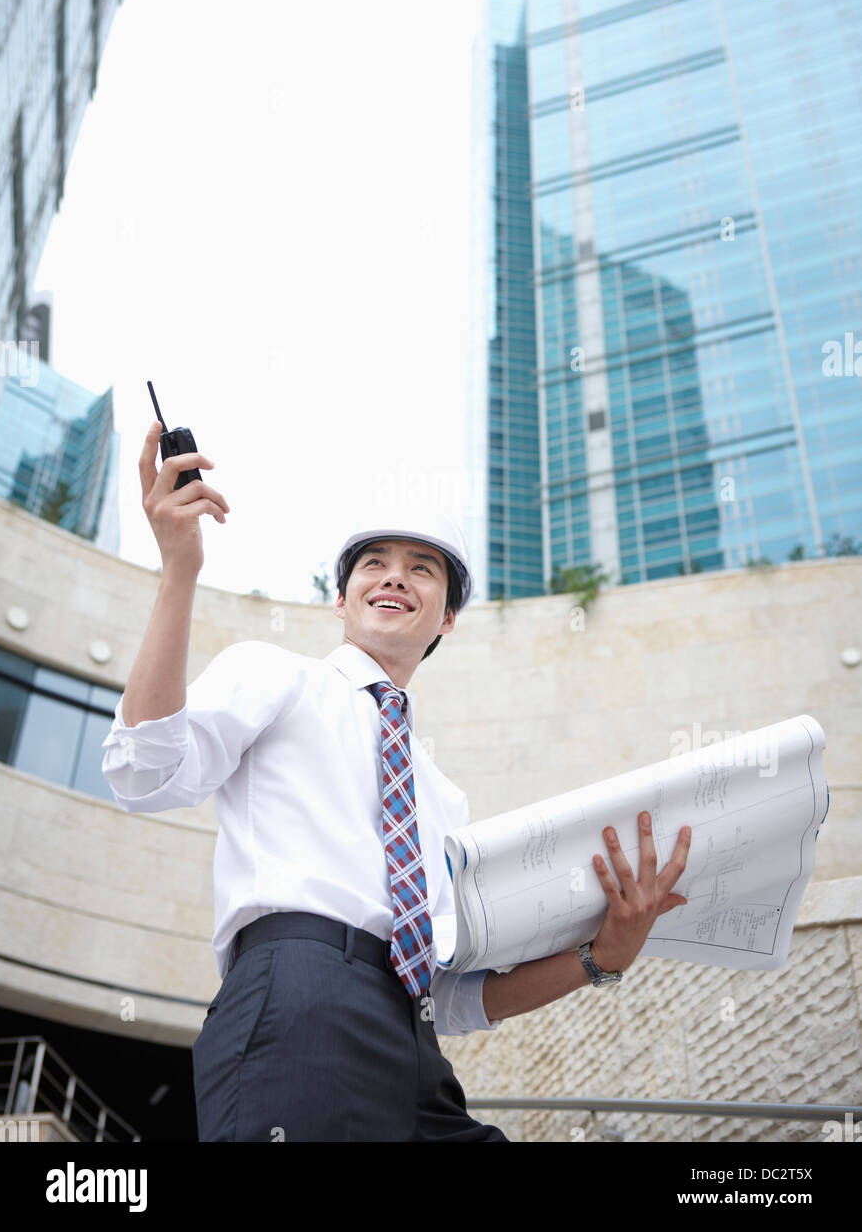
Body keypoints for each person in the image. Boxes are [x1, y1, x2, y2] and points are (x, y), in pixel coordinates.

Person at [101, 423, 691, 1142]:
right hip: (298, 999)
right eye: (373, 563)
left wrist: (601, 958)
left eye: (420, 568)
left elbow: (456, 998)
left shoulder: (442, 796)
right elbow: (144, 770)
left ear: (446, 617)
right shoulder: (278, 677)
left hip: (412, 1039)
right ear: (341, 600)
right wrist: (179, 573)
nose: (392, 576)